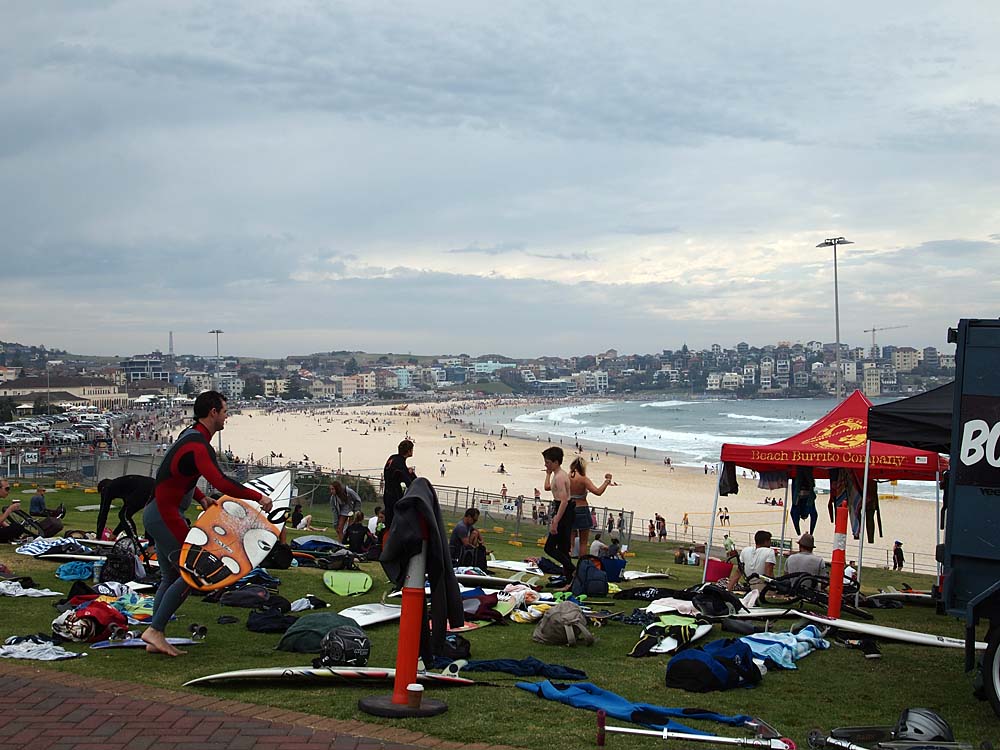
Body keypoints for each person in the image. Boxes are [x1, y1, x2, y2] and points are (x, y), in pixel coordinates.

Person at [142, 390, 272, 657]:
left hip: (158, 513)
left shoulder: (189, 436)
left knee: (171, 576)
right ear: (213, 412)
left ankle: (154, 636)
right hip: (166, 516)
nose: (227, 417)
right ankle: (155, 630)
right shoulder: (199, 445)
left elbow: (178, 475)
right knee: (193, 574)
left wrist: (200, 498)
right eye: (225, 411)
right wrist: (258, 497)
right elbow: (222, 482)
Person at [567, 457, 612, 560]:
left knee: (570, 542)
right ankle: (581, 566)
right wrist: (607, 482)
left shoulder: (567, 477)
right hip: (582, 508)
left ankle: (566, 564)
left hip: (569, 508)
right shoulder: (583, 479)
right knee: (583, 542)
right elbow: (598, 492)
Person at [542, 446, 574, 584]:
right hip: (562, 509)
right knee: (563, 549)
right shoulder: (557, 475)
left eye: (548, 462)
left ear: (556, 462)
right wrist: (548, 473)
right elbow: (548, 487)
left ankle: (572, 569)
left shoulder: (561, 477)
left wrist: (556, 521)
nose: (545, 464)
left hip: (563, 511)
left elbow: (564, 500)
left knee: (549, 547)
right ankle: (570, 579)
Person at [96, 475, 156, 539]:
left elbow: (103, 514)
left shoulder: (107, 488)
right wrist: (115, 534)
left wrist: (98, 537)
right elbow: (125, 520)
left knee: (123, 515)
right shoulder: (123, 487)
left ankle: (134, 541)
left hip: (143, 488)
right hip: (155, 485)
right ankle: (149, 541)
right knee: (148, 514)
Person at [383, 439, 415, 527]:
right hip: (394, 495)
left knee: (389, 519)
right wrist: (411, 474)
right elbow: (409, 482)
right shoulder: (400, 463)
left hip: (387, 492)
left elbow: (394, 474)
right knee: (395, 521)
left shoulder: (392, 458)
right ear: (408, 451)